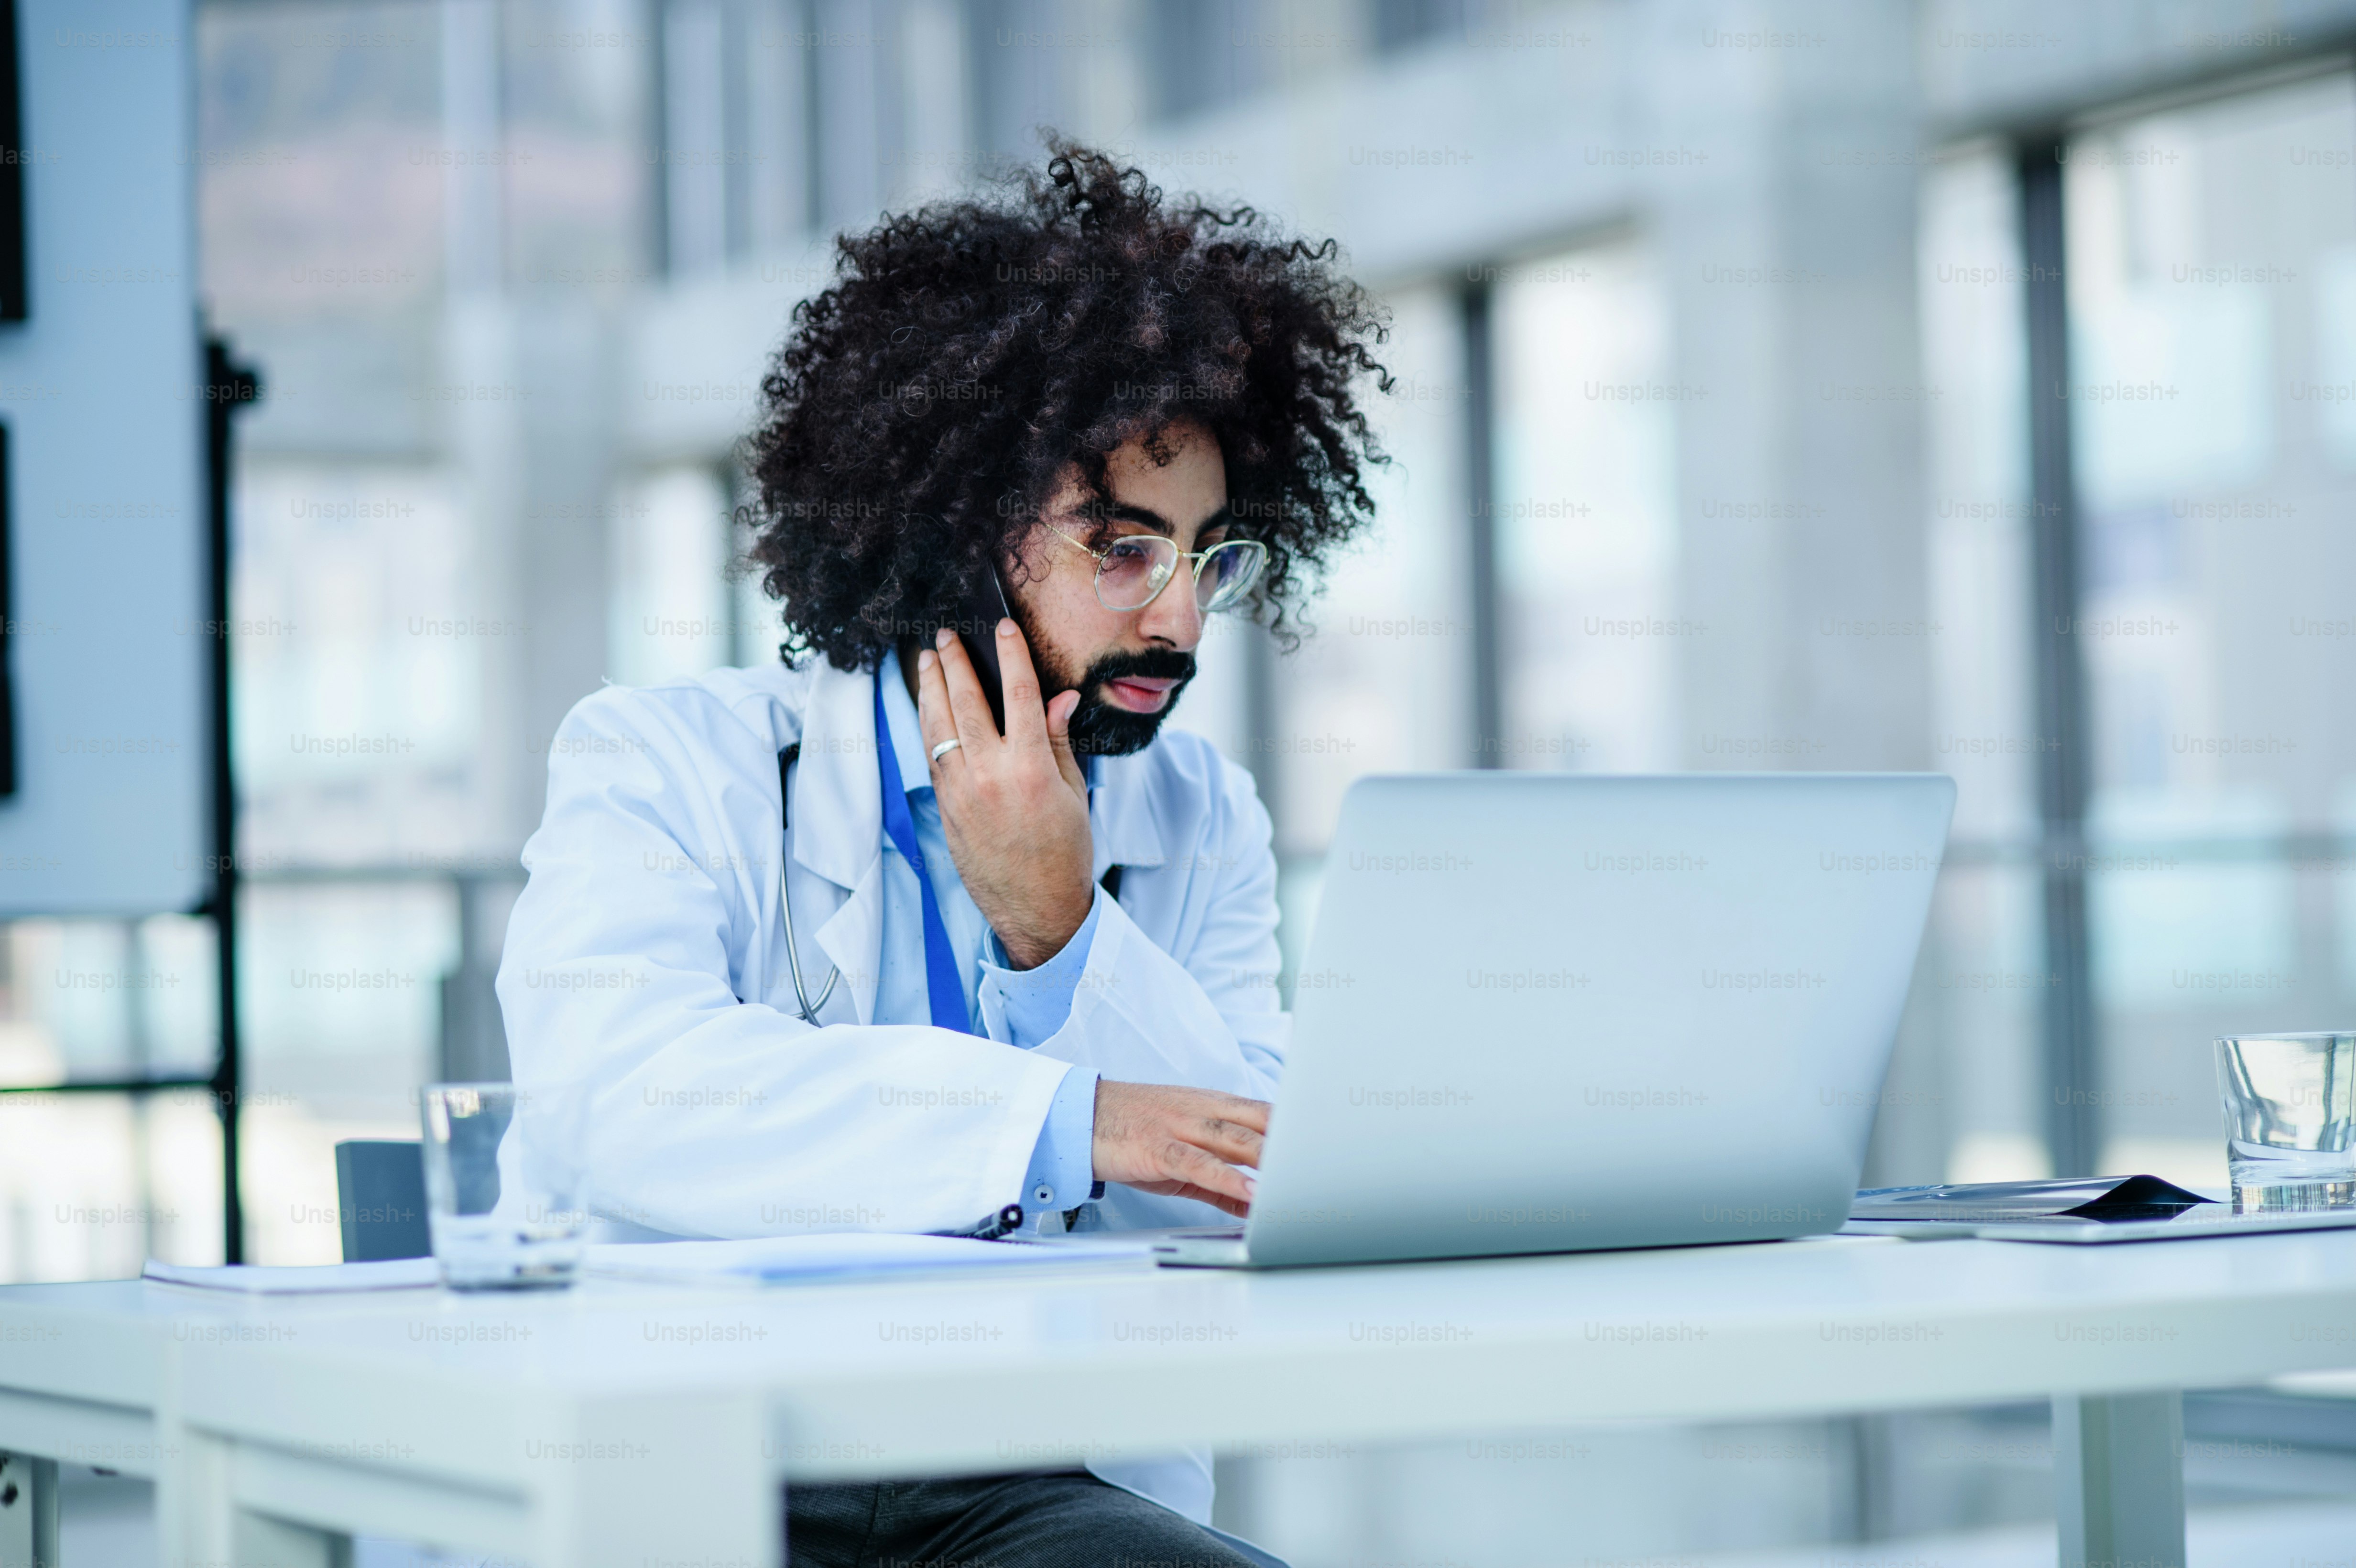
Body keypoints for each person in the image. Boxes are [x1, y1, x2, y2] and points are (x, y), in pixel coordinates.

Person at [496, 142, 1390, 1568]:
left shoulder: (1197, 815)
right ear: (963, 534)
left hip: (1023, 1480)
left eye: (1208, 555)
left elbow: (1246, 1178)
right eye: (1119, 548)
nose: (1179, 621)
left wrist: (1063, 932)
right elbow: (618, 1089)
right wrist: (1062, 1116)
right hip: (699, 1457)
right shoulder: (668, 761)